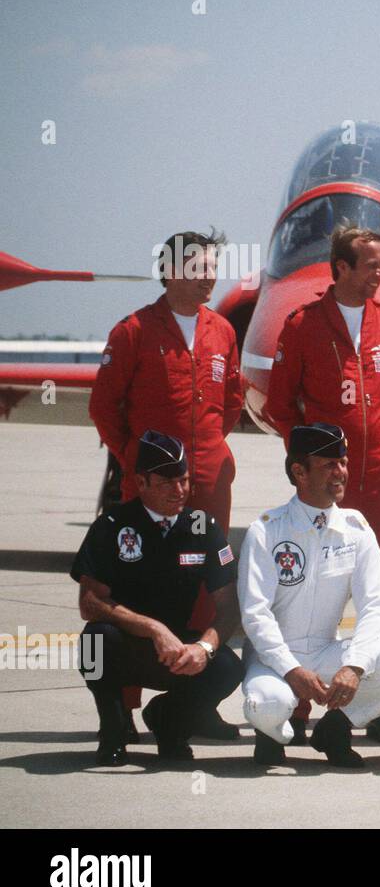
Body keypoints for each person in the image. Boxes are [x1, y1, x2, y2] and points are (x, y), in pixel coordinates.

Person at [265, 224, 380, 743]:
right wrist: (310, 463)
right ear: (342, 269)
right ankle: (294, 708)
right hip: (322, 487)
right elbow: (281, 405)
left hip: (378, 478)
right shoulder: (304, 325)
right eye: (373, 266)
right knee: (307, 592)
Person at [88, 230, 244, 740]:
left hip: (208, 482)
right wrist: (136, 466)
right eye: (199, 268)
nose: (209, 278)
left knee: (207, 592)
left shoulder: (221, 330)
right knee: (139, 588)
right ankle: (124, 708)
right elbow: (104, 407)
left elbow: (233, 401)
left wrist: (209, 455)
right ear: (172, 270)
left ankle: (191, 706)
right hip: (151, 490)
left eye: (212, 268)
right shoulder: (134, 331)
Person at [238, 423, 380, 767]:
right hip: (272, 656)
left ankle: (335, 728)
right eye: (329, 465)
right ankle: (272, 733)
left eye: (343, 463)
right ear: (298, 472)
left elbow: (377, 607)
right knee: (268, 704)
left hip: (324, 649)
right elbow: (255, 615)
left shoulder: (355, 528)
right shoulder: (267, 530)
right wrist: (291, 670)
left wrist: (353, 666)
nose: (341, 473)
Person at [73, 431, 243, 766]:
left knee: (227, 666)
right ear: (141, 481)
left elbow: (228, 607)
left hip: (178, 653)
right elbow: (89, 603)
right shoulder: (113, 525)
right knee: (94, 642)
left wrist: (203, 648)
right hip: (127, 646)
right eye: (166, 482)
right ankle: (113, 727)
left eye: (184, 480)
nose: (179, 491)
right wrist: (153, 629)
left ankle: (170, 722)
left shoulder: (202, 528)